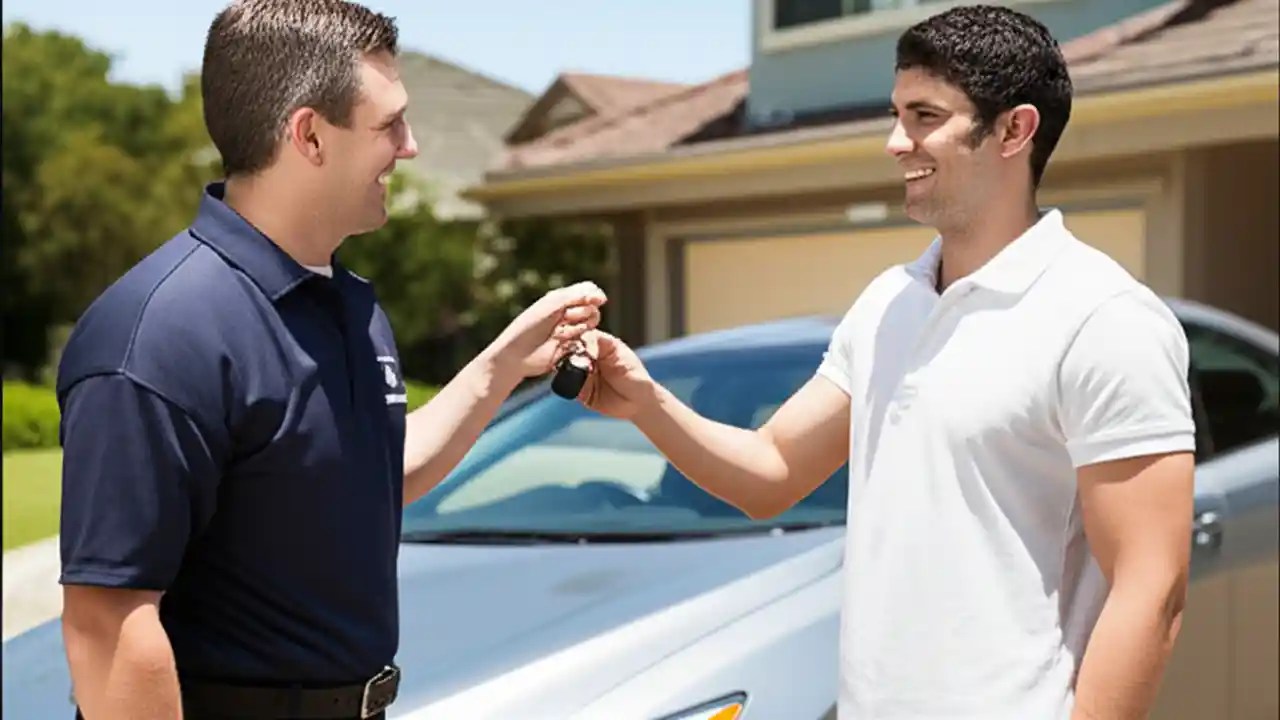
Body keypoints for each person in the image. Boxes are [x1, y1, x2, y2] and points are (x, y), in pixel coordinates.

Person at [577, 5, 1195, 719]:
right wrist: (646, 403)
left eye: (925, 115)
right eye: (897, 113)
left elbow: (1152, 592)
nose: (896, 141)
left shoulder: (1103, 318)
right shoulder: (887, 302)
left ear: (1015, 130)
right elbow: (773, 472)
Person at [54, 1, 605, 718]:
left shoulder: (347, 305)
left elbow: (375, 476)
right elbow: (106, 625)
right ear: (309, 136)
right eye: (388, 124)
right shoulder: (158, 336)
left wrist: (500, 365)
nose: (408, 147)